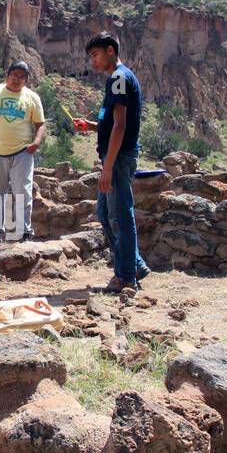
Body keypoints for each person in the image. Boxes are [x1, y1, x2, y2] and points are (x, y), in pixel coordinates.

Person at [79, 32, 151, 292]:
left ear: (110, 51)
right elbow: (113, 124)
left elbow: (120, 127)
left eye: (95, 55)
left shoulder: (119, 78)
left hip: (118, 158)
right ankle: (135, 265)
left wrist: (108, 167)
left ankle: (126, 277)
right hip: (114, 157)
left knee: (120, 215)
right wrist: (91, 126)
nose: (93, 62)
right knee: (105, 214)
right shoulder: (116, 80)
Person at [0, 60, 47, 242]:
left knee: (23, 192)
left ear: (26, 80)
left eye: (22, 77)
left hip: (22, 153)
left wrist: (36, 143)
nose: (17, 79)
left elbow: (40, 124)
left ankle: (24, 233)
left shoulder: (32, 97)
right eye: (14, 75)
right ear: (8, 75)